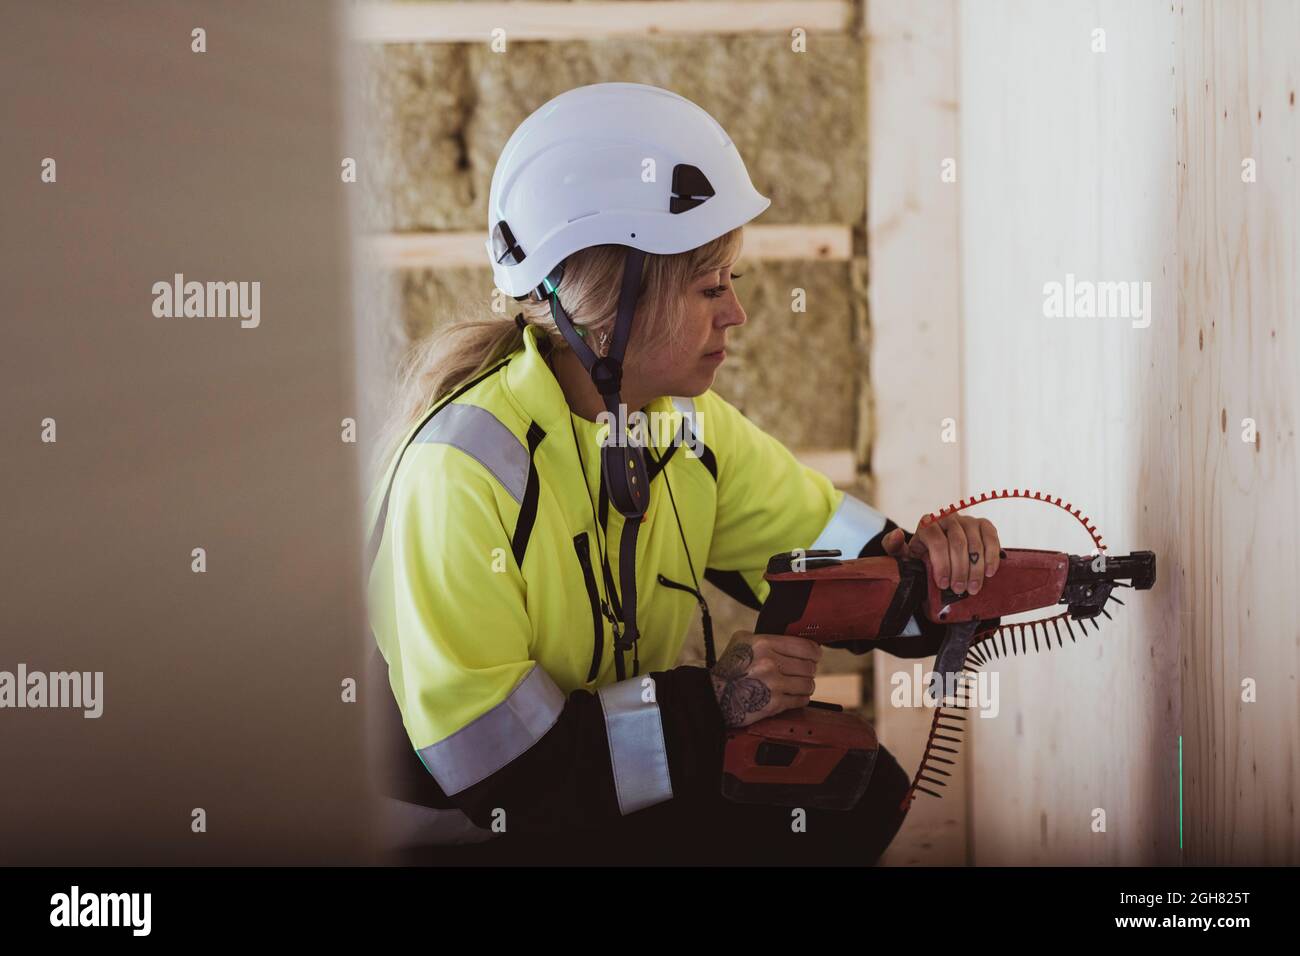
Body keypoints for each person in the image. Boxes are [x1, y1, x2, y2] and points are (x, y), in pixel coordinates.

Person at [364, 82, 1002, 865]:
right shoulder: (462, 474)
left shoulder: (681, 428)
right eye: (711, 286)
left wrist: (938, 573)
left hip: (582, 795)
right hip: (465, 828)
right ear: (609, 304)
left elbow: (843, 563)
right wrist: (712, 707)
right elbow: (500, 773)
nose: (735, 313)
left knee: (847, 787)